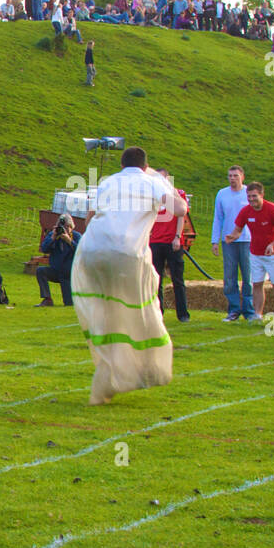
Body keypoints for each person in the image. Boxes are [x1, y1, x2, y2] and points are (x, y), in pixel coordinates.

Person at [71, 147, 187, 405]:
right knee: (143, 309)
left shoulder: (108, 182)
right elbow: (179, 208)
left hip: (91, 251)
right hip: (125, 254)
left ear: (122, 164)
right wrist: (163, 181)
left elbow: (89, 220)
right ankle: (148, 368)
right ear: (145, 166)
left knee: (111, 313)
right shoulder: (151, 181)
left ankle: (110, 377)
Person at [227, 182, 274, 328]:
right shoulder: (246, 211)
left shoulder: (273, 209)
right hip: (255, 253)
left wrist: (273, 244)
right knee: (256, 284)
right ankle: (258, 314)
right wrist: (232, 236)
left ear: (262, 195)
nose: (251, 199)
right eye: (249, 196)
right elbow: (238, 229)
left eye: (254, 196)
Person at [212, 165, 254, 321]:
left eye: (235, 175)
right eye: (230, 176)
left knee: (248, 276)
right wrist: (214, 240)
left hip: (247, 239)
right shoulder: (222, 194)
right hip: (228, 240)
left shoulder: (249, 193)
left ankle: (249, 310)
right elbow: (218, 218)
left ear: (242, 177)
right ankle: (234, 309)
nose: (232, 178)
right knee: (230, 276)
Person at [147, 169, 190, 323]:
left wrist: (177, 237)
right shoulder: (152, 196)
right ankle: (158, 312)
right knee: (156, 278)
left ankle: (183, 313)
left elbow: (181, 216)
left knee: (177, 278)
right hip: (155, 241)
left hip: (172, 240)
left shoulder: (176, 194)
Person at [36, 213, 81, 306]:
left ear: (71, 227)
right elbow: (44, 249)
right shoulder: (54, 235)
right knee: (40, 271)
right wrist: (52, 238)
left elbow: (81, 252)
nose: (63, 230)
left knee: (69, 304)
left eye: (66, 227)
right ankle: (47, 299)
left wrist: (69, 241)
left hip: (69, 275)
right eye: (62, 227)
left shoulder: (76, 237)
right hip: (56, 271)